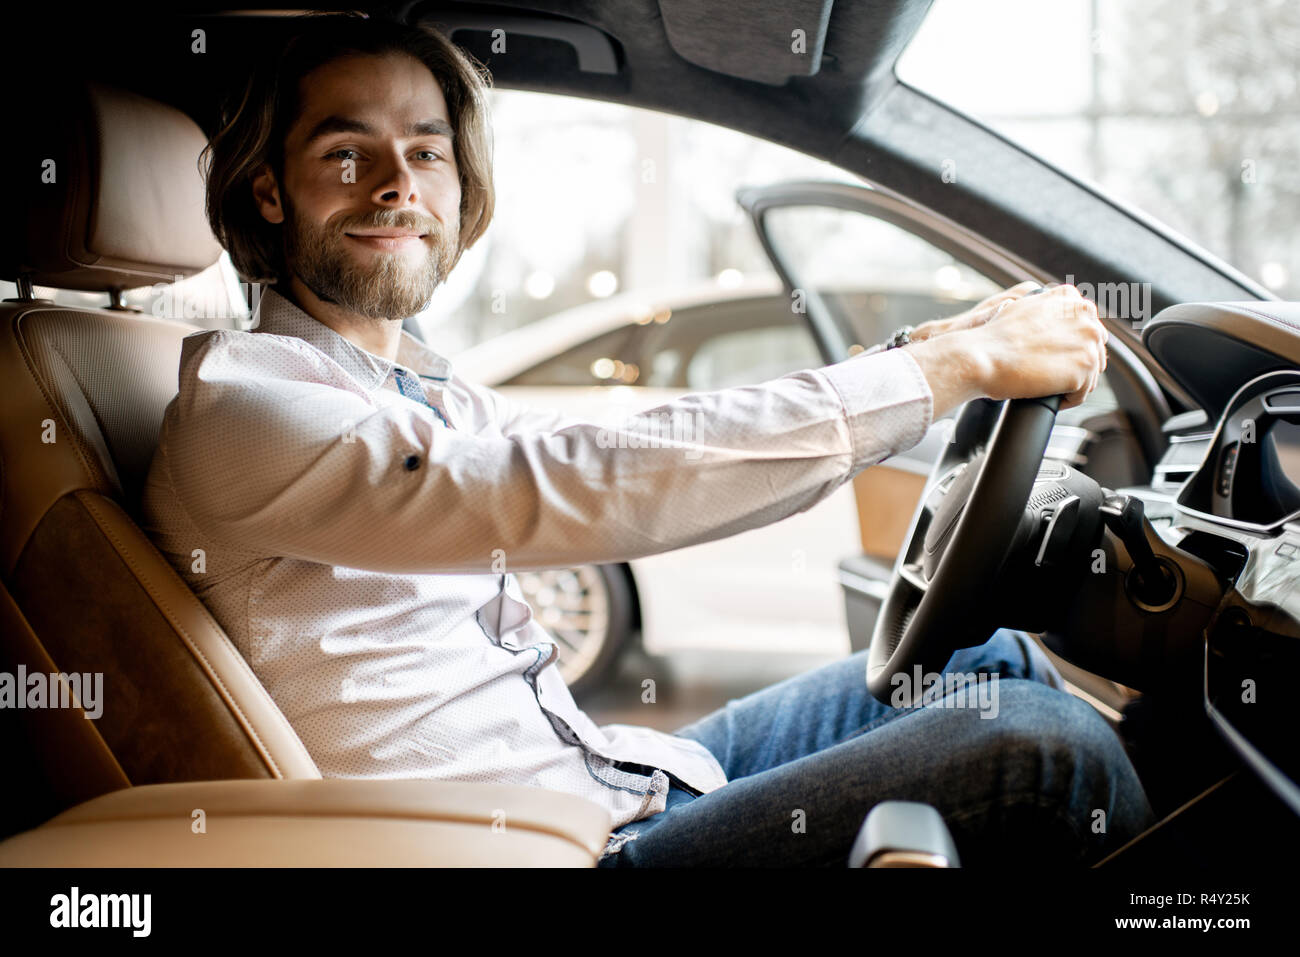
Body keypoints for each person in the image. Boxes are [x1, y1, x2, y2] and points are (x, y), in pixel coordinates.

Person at [141, 12, 1152, 867]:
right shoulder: (247, 400)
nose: (398, 183)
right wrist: (941, 378)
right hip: (538, 855)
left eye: (427, 147)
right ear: (270, 191)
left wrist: (924, 351)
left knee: (991, 661)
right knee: (1042, 750)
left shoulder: (409, 385)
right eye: (346, 151)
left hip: (602, 783)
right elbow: (566, 482)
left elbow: (607, 440)